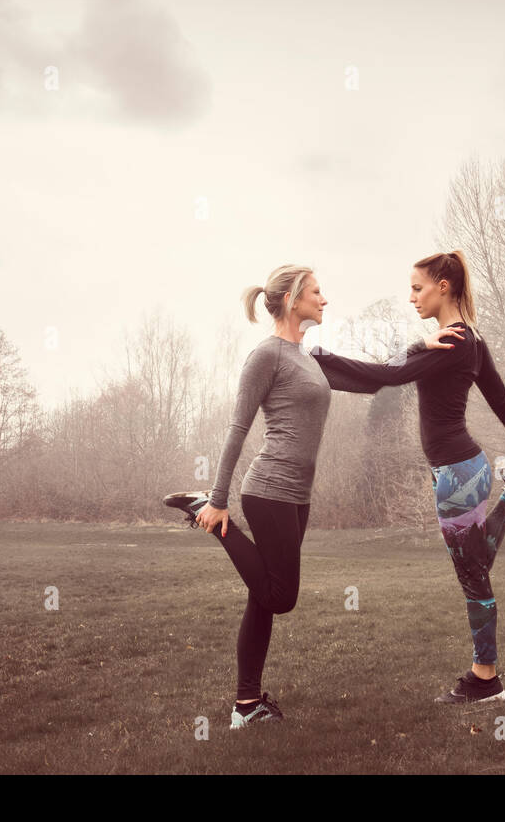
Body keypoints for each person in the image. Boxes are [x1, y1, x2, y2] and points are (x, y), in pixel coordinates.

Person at [162, 264, 461, 728]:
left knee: (263, 598)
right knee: (281, 597)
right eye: (317, 292)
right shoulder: (266, 356)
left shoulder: (309, 357)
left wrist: (418, 347)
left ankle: (247, 706)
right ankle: (206, 513)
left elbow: (375, 378)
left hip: (297, 496)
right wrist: (219, 499)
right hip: (269, 490)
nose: (324, 300)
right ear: (291, 300)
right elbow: (238, 428)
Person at [308, 250, 505, 705]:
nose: (412, 298)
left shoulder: (454, 342)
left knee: (474, 576)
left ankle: (485, 679)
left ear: (443, 287)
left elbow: (385, 377)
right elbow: (502, 403)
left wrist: (319, 358)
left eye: (417, 288)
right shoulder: (470, 340)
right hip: (464, 469)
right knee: (475, 566)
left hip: (458, 472)